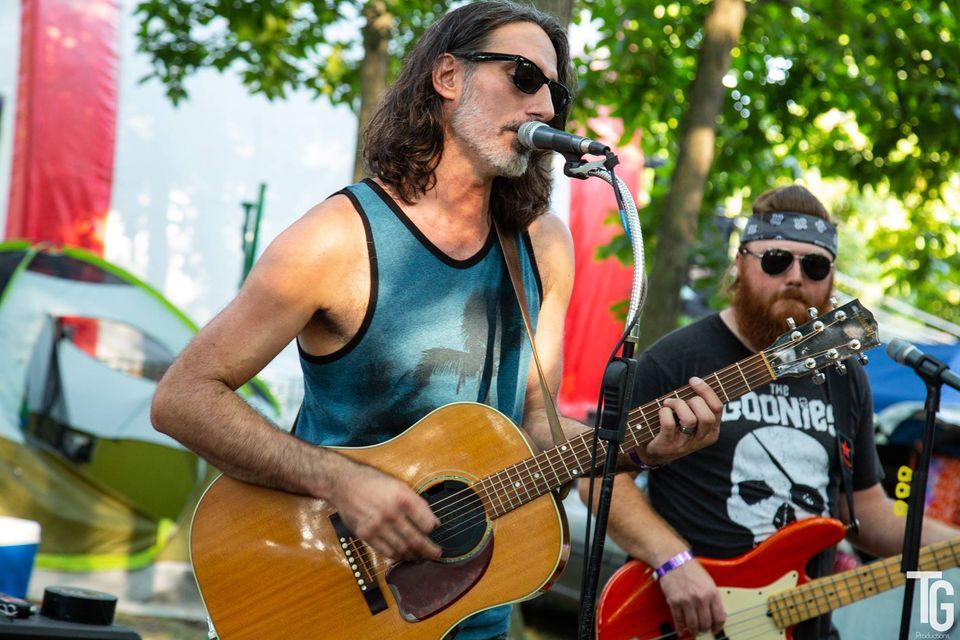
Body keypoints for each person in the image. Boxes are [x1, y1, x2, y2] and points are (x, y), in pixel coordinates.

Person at [151, 2, 724, 639]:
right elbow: (182, 397)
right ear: (447, 77)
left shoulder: (544, 247)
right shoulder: (338, 239)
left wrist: (637, 447)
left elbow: (534, 430)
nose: (543, 107)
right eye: (522, 78)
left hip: (472, 608)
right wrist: (344, 482)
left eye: (555, 92)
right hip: (318, 590)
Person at [583, 184, 960, 639]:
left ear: (832, 279)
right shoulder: (678, 359)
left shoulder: (846, 374)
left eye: (815, 265)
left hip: (801, 623)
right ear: (740, 263)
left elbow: (867, 513)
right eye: (777, 259)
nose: (796, 277)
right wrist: (672, 560)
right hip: (685, 619)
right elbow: (597, 473)